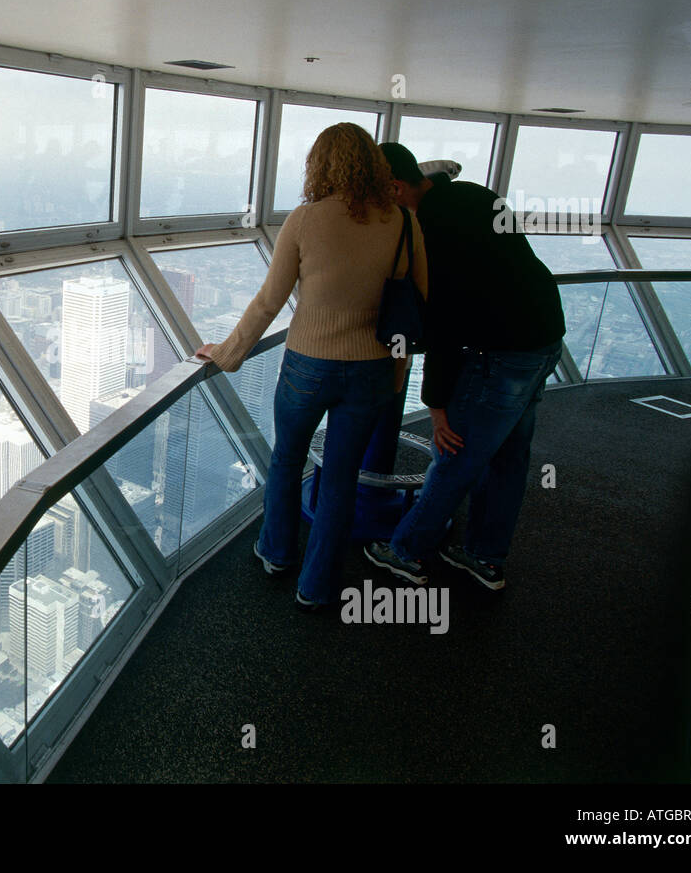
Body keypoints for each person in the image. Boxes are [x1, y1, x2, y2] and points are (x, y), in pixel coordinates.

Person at [196, 123, 427, 610]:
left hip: (308, 365)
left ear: (319, 165)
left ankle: (277, 552)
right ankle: (317, 586)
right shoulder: (403, 222)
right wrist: (397, 372)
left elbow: (268, 301)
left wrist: (228, 353)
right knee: (342, 478)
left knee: (286, 460)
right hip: (371, 369)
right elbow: (417, 299)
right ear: (373, 163)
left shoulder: (304, 220)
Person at [364, 143, 566, 590]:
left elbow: (446, 324)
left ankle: (406, 551)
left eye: (380, 195)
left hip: (501, 352)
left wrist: (436, 406)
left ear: (396, 187)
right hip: (545, 337)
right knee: (510, 457)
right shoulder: (476, 194)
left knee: (455, 453)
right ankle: (484, 556)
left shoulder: (434, 229)